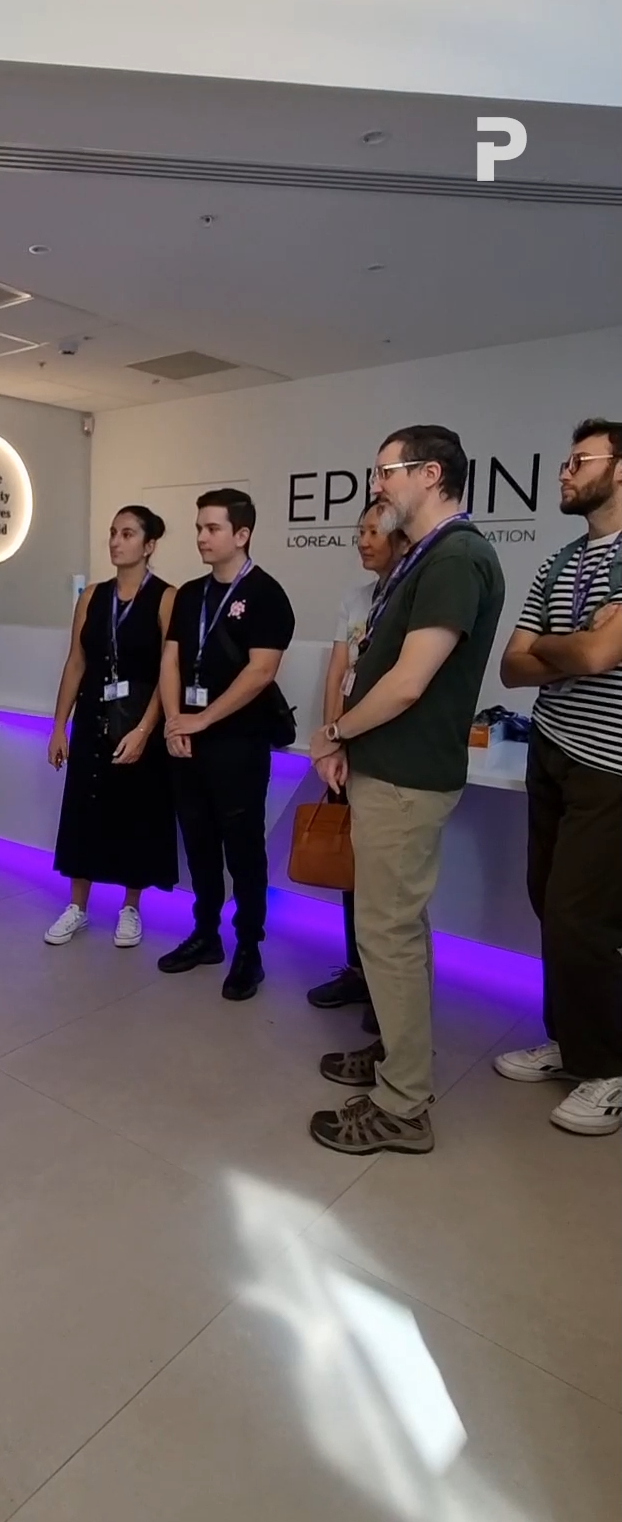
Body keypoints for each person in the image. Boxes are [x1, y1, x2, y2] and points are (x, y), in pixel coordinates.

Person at [307, 425, 505, 1154]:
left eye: (385, 472)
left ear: (429, 473)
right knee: (396, 932)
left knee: (386, 935)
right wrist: (347, 742)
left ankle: (403, 1104)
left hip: (404, 776)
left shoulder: (456, 556)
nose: (377, 486)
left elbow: (409, 682)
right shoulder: (422, 558)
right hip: (383, 769)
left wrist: (336, 733)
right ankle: (398, 1058)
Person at [493, 420, 622, 1136]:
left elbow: (604, 658)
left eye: (580, 461)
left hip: (612, 764)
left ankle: (608, 1069)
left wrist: (562, 646)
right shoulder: (558, 560)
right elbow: (513, 667)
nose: (564, 471)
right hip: (552, 746)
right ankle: (572, 1044)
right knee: (549, 902)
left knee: (582, 916)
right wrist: (571, 643)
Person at [159, 489, 295, 1002]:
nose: (201, 537)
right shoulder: (189, 594)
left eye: (212, 528)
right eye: (198, 527)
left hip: (238, 742)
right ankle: (205, 934)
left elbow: (261, 672)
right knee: (197, 840)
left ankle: (249, 949)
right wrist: (175, 721)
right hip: (186, 742)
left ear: (242, 534)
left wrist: (201, 720)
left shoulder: (266, 594)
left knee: (243, 848)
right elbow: (170, 659)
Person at [45, 506, 178, 947]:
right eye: (113, 533)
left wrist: (146, 729)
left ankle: (130, 907)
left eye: (127, 534)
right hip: (93, 717)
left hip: (139, 720)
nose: (116, 541)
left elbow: (168, 670)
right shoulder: (93, 597)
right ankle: (78, 907)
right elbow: (76, 662)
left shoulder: (164, 596)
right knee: (84, 809)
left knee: (136, 812)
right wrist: (59, 726)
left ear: (149, 544)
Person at [307, 502, 408, 1020]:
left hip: (390, 754)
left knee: (387, 884)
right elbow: (337, 672)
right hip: (349, 748)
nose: (364, 541)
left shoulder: (413, 599)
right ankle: (357, 971)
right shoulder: (356, 599)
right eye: (360, 532)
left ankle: (387, 992)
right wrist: (330, 741)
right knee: (351, 870)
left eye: (374, 532)